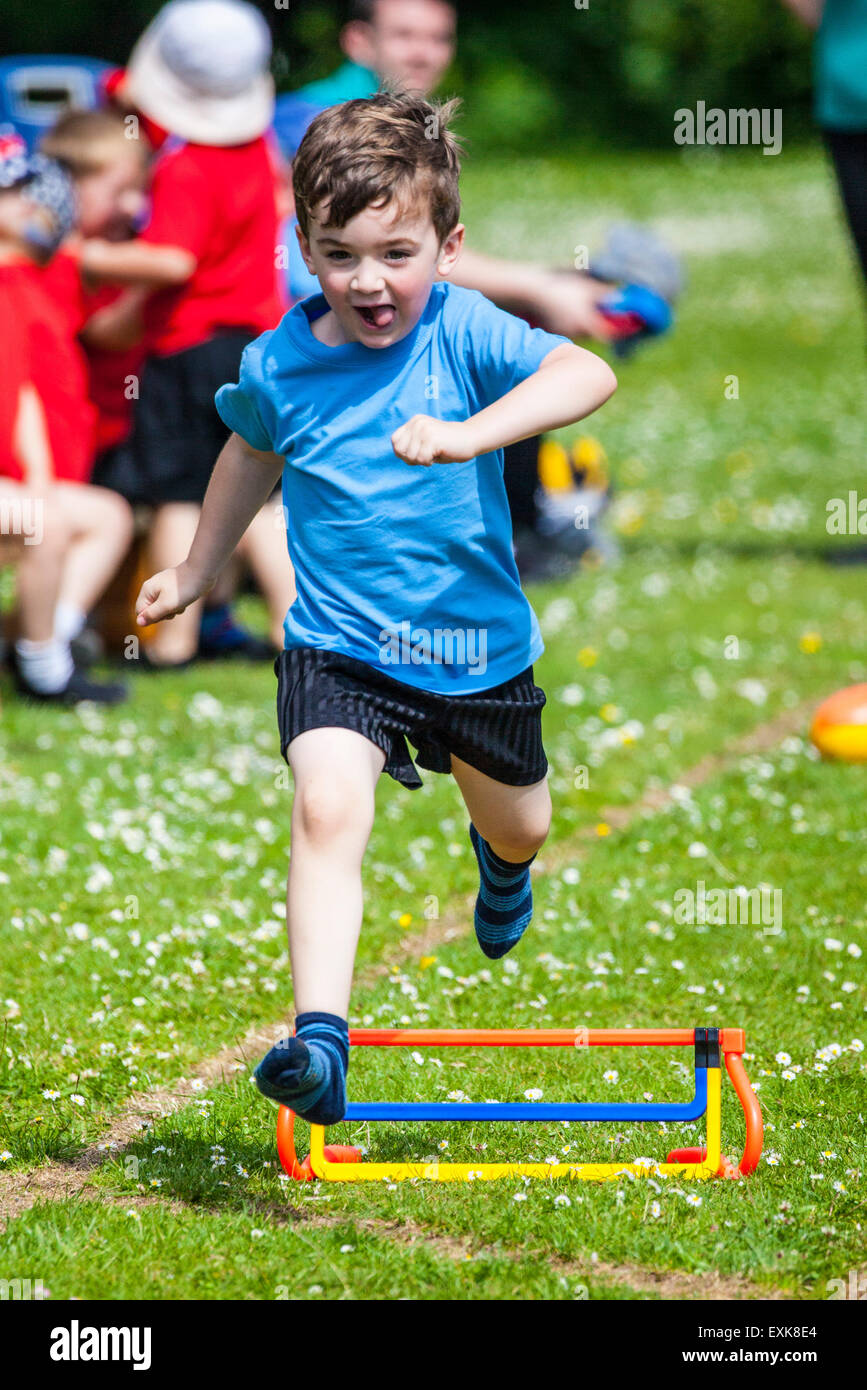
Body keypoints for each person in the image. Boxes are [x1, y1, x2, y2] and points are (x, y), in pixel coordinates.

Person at [134, 91, 616, 1124]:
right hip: (337, 647)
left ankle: (502, 865)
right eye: (339, 253)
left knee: (524, 821)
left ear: (449, 247)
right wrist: (194, 566)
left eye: (396, 252)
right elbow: (247, 451)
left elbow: (587, 372)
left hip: (473, 651)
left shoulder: (464, 327)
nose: (369, 281)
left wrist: (471, 434)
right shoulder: (282, 360)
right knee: (324, 807)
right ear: (303, 248)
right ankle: (320, 1041)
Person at [92, 0, 293, 667]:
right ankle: (291, 627)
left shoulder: (185, 166)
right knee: (261, 495)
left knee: (177, 489)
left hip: (189, 347)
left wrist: (80, 256)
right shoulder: (257, 149)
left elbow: (173, 260)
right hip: (256, 339)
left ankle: (172, 638)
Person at [0, 133, 129, 704]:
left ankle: (45, 638)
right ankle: (43, 671)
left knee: (106, 515)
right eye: (12, 192)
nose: (25, 203)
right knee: (42, 521)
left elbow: (23, 392)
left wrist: (41, 483)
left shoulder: (19, 286)